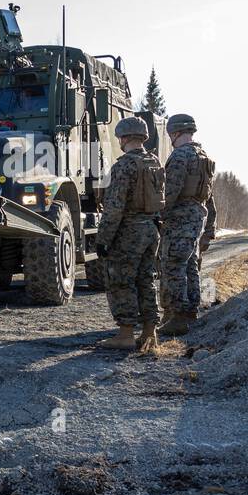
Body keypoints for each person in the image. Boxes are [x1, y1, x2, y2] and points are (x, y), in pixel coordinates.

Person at [95, 117, 164, 350]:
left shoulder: (123, 165)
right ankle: (149, 332)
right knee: (146, 279)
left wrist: (103, 240)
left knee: (121, 280)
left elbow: (114, 208)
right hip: (151, 229)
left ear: (123, 138)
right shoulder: (155, 162)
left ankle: (125, 334)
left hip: (129, 231)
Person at [158, 113, 214, 337]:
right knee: (190, 265)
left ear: (175, 132)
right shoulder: (204, 156)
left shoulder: (180, 157)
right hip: (197, 215)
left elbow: (169, 192)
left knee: (173, 265)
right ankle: (190, 312)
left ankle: (178, 318)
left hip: (180, 217)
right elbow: (210, 196)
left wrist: (158, 216)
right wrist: (210, 225)